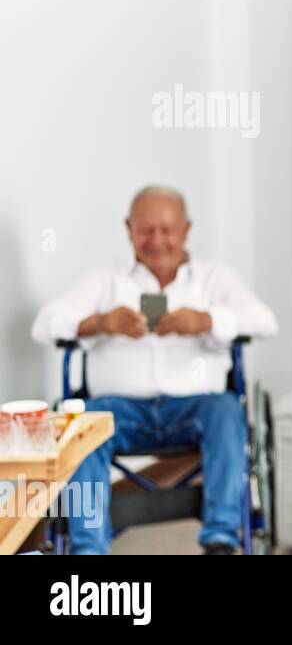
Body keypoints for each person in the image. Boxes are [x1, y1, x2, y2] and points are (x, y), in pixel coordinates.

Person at [31, 185, 278, 555]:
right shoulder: (106, 281)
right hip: (119, 411)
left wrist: (207, 320)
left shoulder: (214, 279)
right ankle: (88, 551)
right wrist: (100, 322)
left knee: (227, 411)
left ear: (186, 231)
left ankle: (221, 539)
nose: (156, 241)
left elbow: (265, 321)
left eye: (167, 230)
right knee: (80, 428)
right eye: (145, 230)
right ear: (128, 229)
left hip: (194, 408)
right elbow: (44, 324)